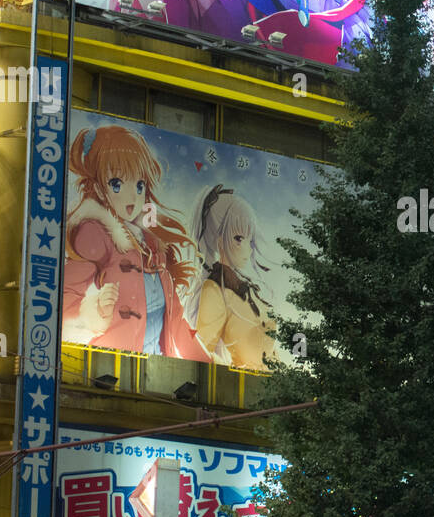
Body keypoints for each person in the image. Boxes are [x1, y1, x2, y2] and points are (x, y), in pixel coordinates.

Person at [63, 124, 209, 360]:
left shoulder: (152, 246)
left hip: (155, 375)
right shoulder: (95, 236)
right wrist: (93, 310)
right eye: (117, 184)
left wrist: (209, 364)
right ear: (100, 189)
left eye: (139, 185)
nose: (132, 199)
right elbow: (63, 302)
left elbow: (177, 322)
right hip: (109, 372)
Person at [186, 184, 277, 368]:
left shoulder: (249, 290)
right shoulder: (215, 292)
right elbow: (203, 353)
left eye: (250, 240)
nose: (247, 247)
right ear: (219, 240)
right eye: (238, 238)